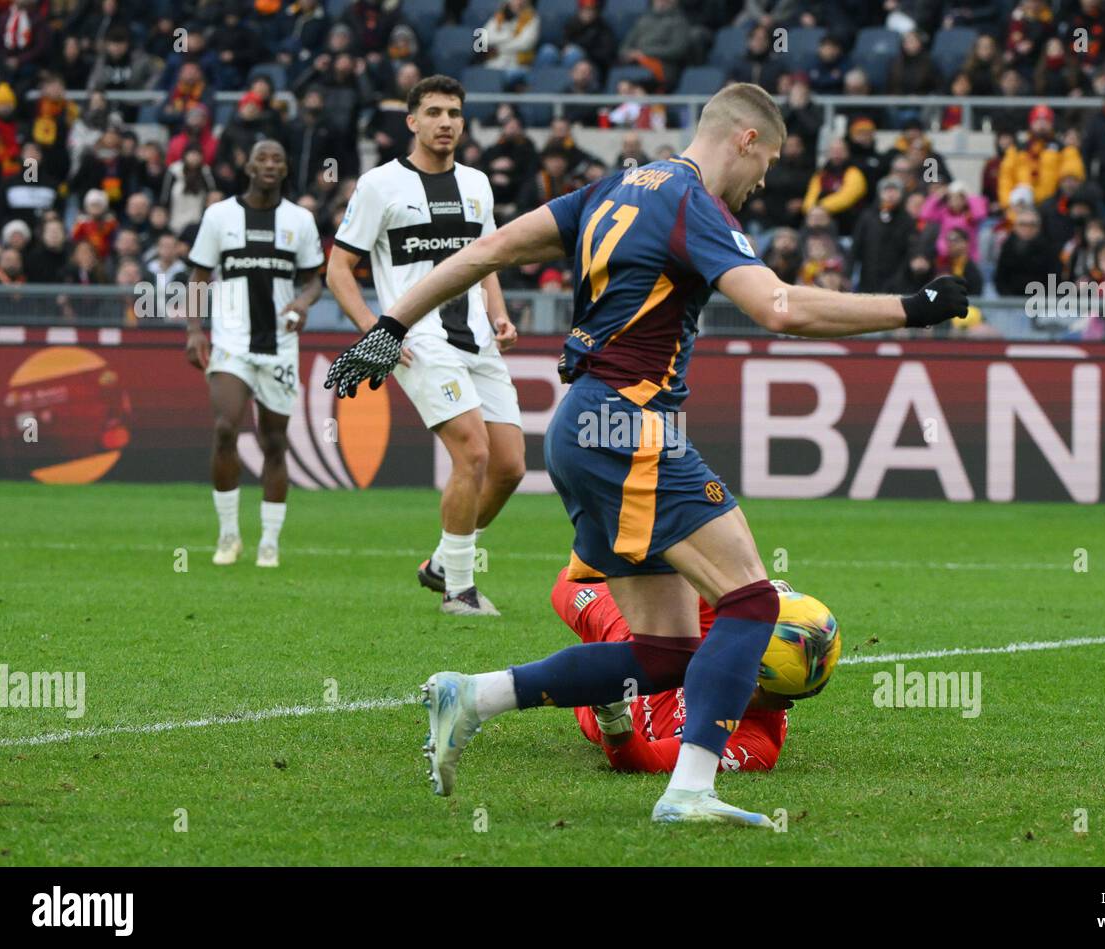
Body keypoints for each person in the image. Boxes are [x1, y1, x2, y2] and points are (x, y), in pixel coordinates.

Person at [323, 83, 967, 826]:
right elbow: (780, 306)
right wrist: (913, 309)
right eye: (771, 161)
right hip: (628, 423)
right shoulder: (693, 203)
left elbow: (490, 249)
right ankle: (689, 790)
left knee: (665, 651)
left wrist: (391, 323)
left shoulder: (615, 186)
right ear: (746, 140)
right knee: (752, 600)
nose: (764, 182)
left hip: (580, 426)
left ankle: (472, 695)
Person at [326, 76, 524, 616]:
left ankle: (442, 561)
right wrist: (377, 329)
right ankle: (459, 590)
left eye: (454, 113)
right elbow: (339, 268)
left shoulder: (478, 184)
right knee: (474, 452)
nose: (445, 122)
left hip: (477, 339)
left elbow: (487, 260)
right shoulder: (379, 185)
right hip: (417, 338)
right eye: (433, 112)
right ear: (411, 122)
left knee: (509, 467)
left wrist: (500, 313)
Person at [182, 140, 325, 569]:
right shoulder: (219, 216)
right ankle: (228, 535)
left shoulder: (300, 220)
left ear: (285, 170)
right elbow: (199, 275)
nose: (268, 164)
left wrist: (303, 303)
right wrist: (193, 330)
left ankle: (270, 541)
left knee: (275, 442)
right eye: (260, 157)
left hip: (280, 344)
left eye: (277, 159)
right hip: (232, 343)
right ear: (246, 165)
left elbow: (315, 280)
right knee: (226, 428)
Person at [555, 570, 793, 773]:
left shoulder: (750, 746)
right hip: (632, 628)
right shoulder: (736, 644)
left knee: (561, 680)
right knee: (568, 582)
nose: (737, 671)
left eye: (754, 679)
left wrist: (613, 717)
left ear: (778, 701)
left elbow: (645, 761)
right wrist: (756, 600)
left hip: (608, 689)